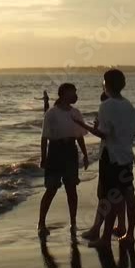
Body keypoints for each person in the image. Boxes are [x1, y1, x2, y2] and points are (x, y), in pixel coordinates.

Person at [75, 69, 135, 247]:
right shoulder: (128, 105)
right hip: (126, 156)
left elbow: (104, 134)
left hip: (111, 157)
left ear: (107, 84)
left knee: (109, 197)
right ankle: (129, 234)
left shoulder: (106, 105)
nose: (102, 85)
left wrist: (84, 126)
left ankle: (105, 239)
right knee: (128, 194)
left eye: (103, 82)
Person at [37, 83, 89, 237]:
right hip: (55, 151)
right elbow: (44, 138)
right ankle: (41, 223)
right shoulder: (52, 113)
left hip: (70, 151)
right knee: (51, 189)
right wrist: (43, 158)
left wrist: (85, 154)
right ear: (64, 93)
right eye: (73, 92)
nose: (75, 95)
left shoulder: (75, 112)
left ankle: (73, 223)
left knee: (71, 189)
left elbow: (79, 136)